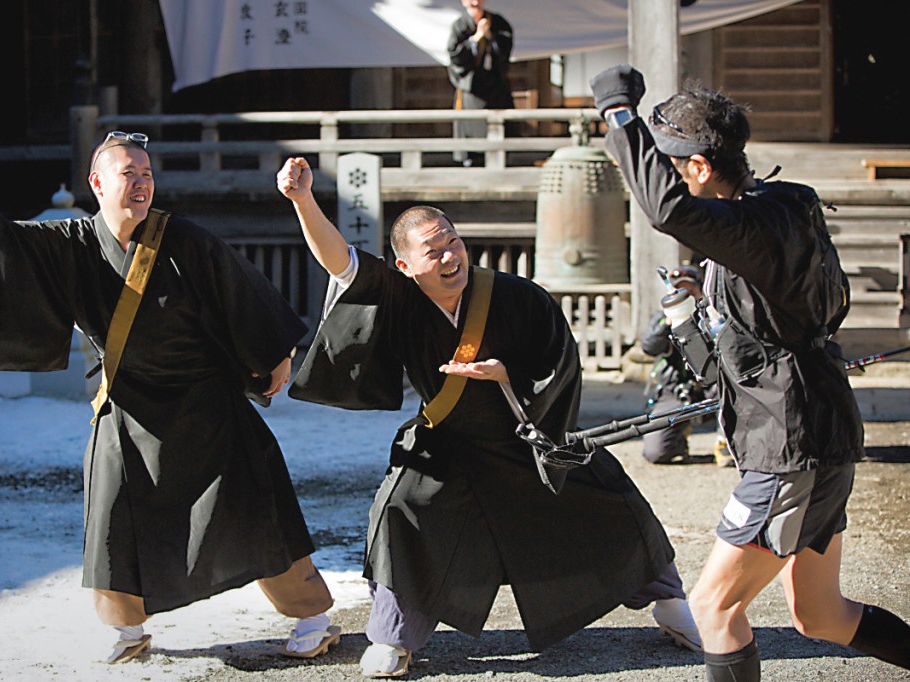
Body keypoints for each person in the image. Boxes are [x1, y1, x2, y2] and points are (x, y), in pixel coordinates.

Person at [0, 133, 339, 664]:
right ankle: (128, 630)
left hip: (206, 403)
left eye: (147, 173)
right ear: (98, 183)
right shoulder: (74, 242)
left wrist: (274, 355)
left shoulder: (186, 240)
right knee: (112, 516)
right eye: (129, 173)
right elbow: (1, 238)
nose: (142, 183)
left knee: (256, 504)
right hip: (128, 404)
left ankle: (313, 614)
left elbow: (241, 294)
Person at [277, 156, 702, 678]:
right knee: (400, 514)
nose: (450, 256)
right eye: (433, 251)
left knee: (608, 499)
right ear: (406, 267)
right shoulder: (400, 299)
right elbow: (340, 261)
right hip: (446, 443)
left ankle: (671, 605)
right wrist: (303, 201)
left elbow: (560, 360)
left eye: (452, 241)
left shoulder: (516, 297)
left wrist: (508, 375)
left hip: (527, 436)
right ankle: (394, 637)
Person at [591, 65, 910, 680]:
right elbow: (729, 360)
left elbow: (667, 211)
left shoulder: (756, 223)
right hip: (821, 434)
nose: (667, 179)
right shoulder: (777, 208)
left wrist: (618, 112)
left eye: (672, 165)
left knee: (713, 605)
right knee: (820, 614)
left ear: (702, 168)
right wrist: (693, 311)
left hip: (791, 447)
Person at [640, 265, 732, 467]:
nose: (686, 295)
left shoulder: (714, 314)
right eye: (681, 291)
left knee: (732, 391)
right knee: (655, 452)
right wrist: (670, 321)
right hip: (676, 389)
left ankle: (726, 441)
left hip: (712, 387)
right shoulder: (663, 317)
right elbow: (648, 346)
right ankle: (678, 439)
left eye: (690, 291)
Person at [447, 0, 514, 167]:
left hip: (495, 88)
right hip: (472, 90)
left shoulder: (498, 23)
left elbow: (505, 50)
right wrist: (476, 39)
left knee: (499, 136)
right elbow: (455, 56)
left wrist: (490, 36)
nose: (475, 2)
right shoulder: (459, 25)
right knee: (471, 138)